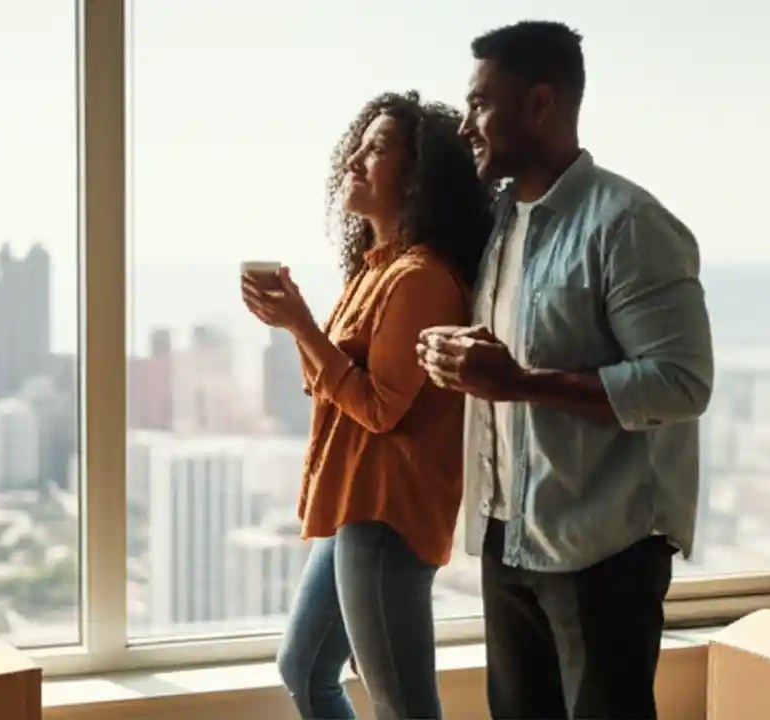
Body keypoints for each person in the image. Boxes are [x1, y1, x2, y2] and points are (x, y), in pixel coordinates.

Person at [417, 21, 714, 720]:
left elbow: (682, 382)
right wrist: (464, 363)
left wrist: (516, 383)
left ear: (540, 104)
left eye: (480, 104)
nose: (466, 126)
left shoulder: (628, 224)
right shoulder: (504, 223)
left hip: (603, 553)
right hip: (507, 537)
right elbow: (519, 359)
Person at [240, 91, 492, 719]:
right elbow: (332, 384)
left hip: (389, 515)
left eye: (377, 149)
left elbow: (380, 408)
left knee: (402, 705)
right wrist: (298, 323)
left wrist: (301, 327)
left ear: (417, 179)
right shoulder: (373, 270)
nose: (354, 158)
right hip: (357, 501)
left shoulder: (421, 279)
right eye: (360, 142)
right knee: (303, 667)